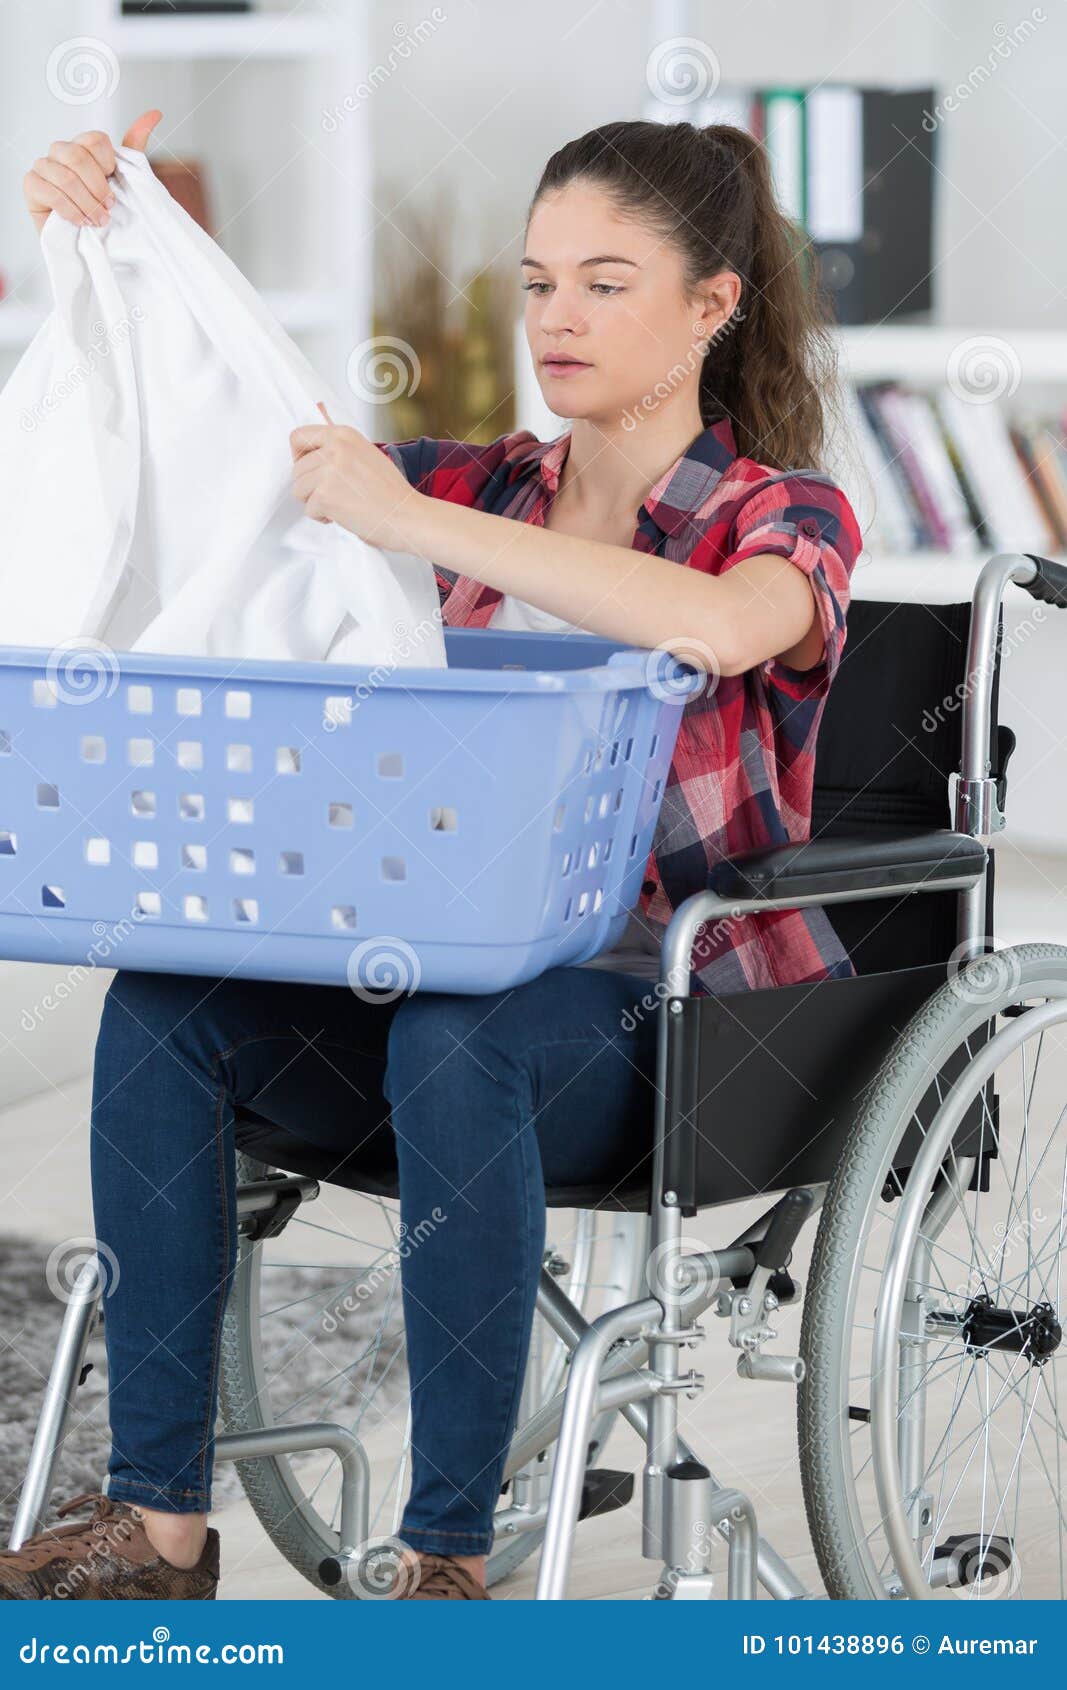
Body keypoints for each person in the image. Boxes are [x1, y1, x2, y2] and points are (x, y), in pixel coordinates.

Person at [3, 108, 861, 1601]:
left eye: (605, 282)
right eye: (537, 282)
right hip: (433, 982)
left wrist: (413, 524)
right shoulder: (477, 484)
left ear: (712, 307)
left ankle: (449, 1550)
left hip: (671, 1023)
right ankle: (159, 1528)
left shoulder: (776, 513)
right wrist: (110, 253)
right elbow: (220, 467)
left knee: (465, 1031)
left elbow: (720, 627)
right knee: (163, 1006)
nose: (557, 318)